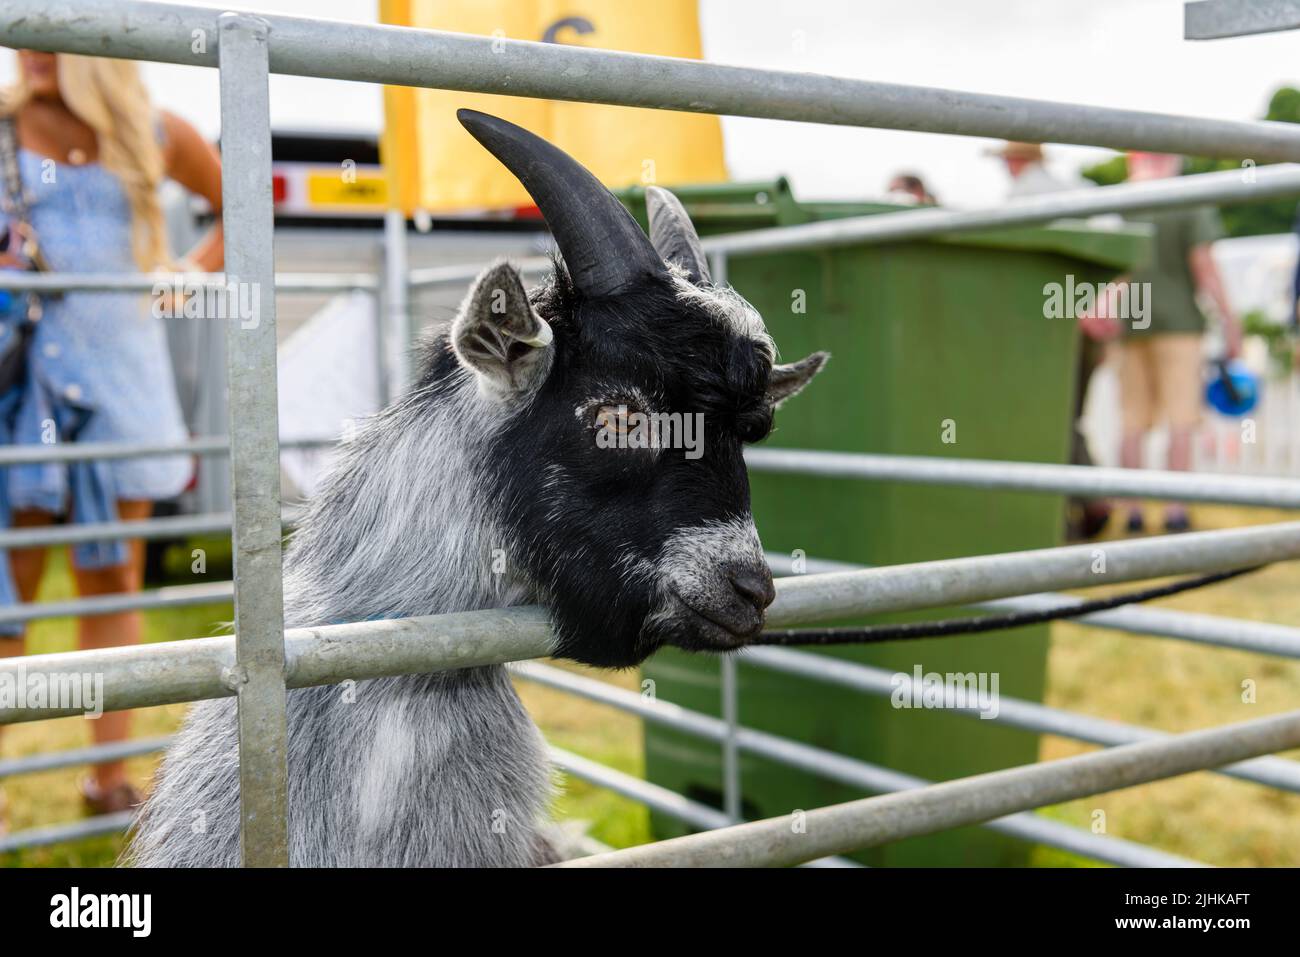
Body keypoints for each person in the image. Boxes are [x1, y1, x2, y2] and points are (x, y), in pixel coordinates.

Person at [0, 50, 224, 825]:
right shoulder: (2, 126)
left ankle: (107, 780)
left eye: (49, 32)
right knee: (9, 592)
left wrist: (185, 281)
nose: (28, 48)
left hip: (123, 387)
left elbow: (238, 204)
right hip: (26, 391)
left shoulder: (153, 131)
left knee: (112, 580)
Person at [1084, 152, 1242, 534]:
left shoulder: (1122, 200)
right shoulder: (1190, 196)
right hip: (1180, 326)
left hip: (1130, 324)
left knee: (1132, 423)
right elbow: (1203, 265)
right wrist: (1229, 319)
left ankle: (1133, 512)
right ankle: (1175, 510)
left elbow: (1112, 268)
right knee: (1181, 421)